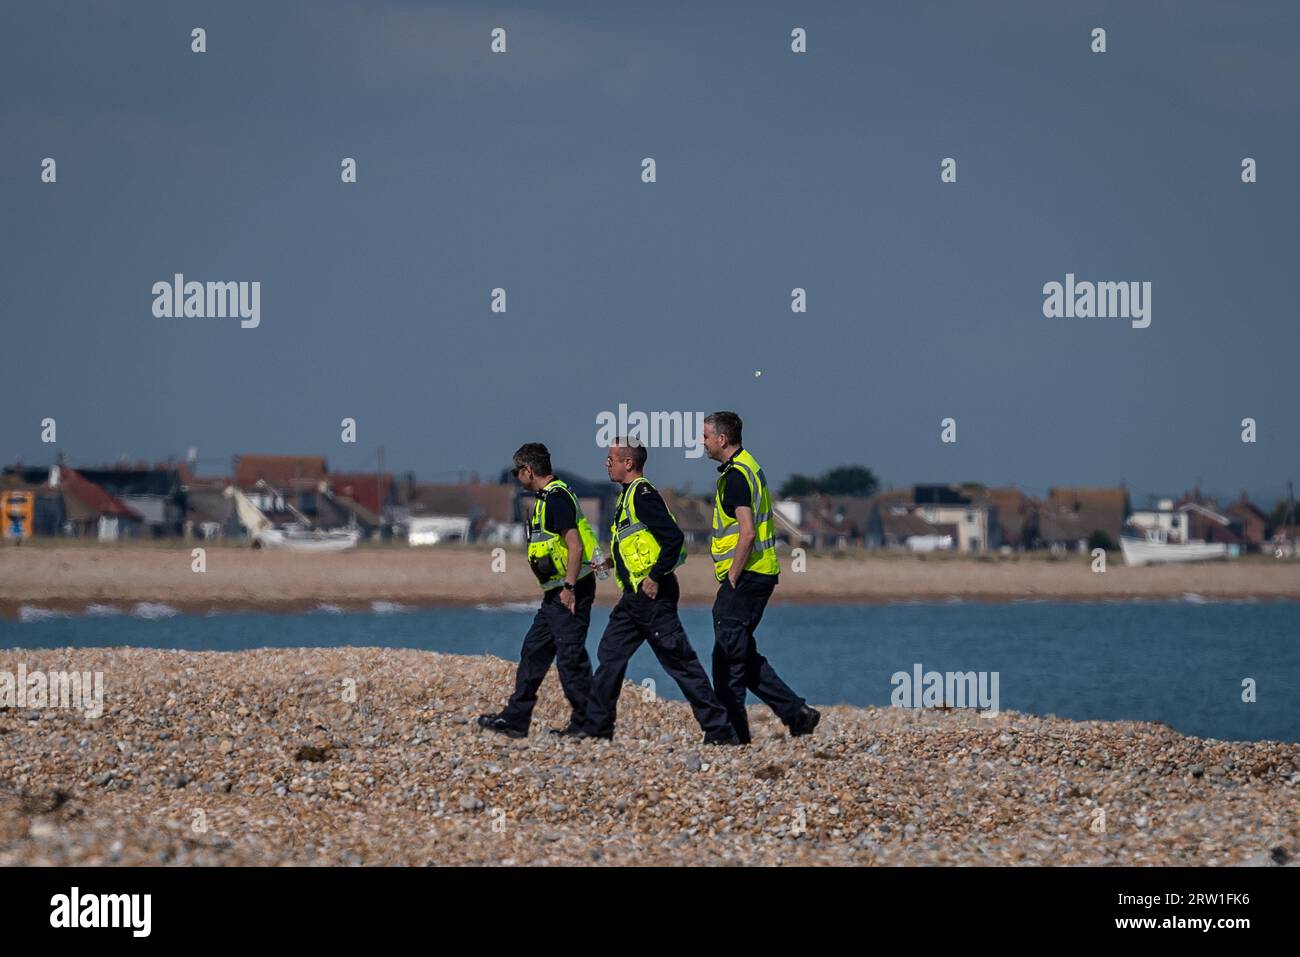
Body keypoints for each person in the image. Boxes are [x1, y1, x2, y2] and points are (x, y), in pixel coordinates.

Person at [579, 438, 739, 745]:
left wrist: (654, 576)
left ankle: (720, 730)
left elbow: (673, 539)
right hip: (633, 598)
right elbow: (639, 544)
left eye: (611, 458)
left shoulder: (642, 494)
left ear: (629, 463)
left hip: (653, 596)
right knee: (610, 655)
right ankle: (597, 728)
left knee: (680, 663)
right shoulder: (626, 497)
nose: (606, 463)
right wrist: (608, 562)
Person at [702, 411, 820, 743]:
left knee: (728, 657)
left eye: (706, 436)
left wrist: (733, 576)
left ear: (721, 439)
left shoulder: (738, 476)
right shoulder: (748, 466)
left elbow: (748, 532)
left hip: (747, 576)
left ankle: (730, 735)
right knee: (741, 652)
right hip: (759, 574)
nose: (702, 442)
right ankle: (797, 714)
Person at [477, 443, 597, 738]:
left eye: (518, 472)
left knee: (570, 658)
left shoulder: (557, 499)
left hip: (570, 590)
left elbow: (575, 546)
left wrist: (569, 587)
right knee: (534, 651)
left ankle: (590, 725)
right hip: (554, 593)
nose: (517, 478)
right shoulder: (545, 499)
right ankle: (516, 719)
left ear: (529, 470)